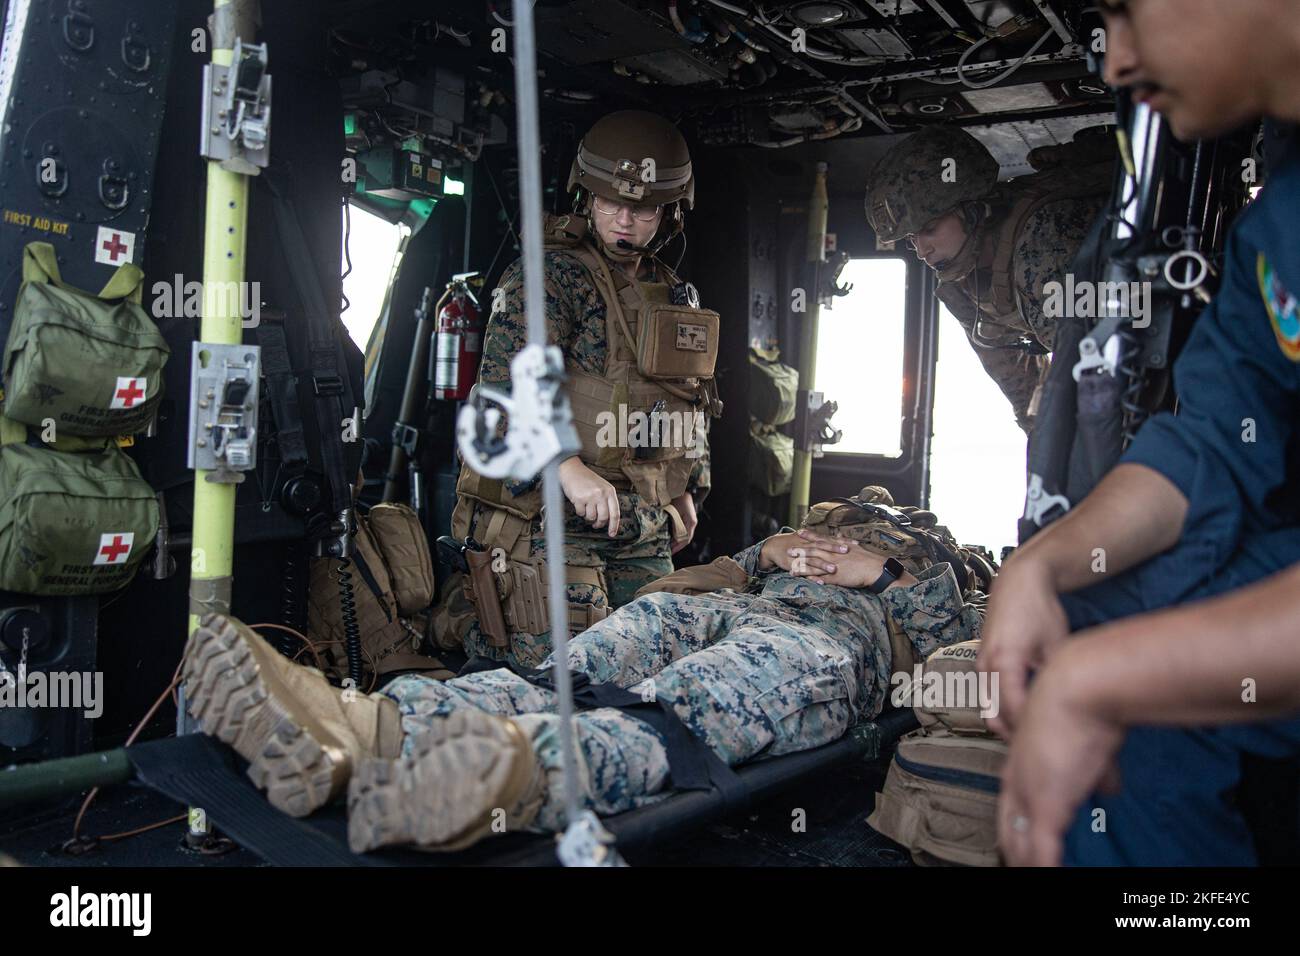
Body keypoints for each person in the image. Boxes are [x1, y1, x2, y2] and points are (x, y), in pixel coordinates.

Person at [180, 488, 983, 853]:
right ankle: (371, 727)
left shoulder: (961, 574)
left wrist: (884, 578)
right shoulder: (828, 520)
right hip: (728, 603)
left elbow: (954, 658)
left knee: (678, 707)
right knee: (567, 669)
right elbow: (734, 566)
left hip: (826, 649)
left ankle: (505, 777)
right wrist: (764, 552)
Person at [982, 0, 1300, 866]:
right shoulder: (1282, 218)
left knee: (1106, 672)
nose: (1114, 59)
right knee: (1082, 614)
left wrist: (1105, 680)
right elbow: (1207, 446)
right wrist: (1038, 564)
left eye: (1127, 11)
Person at [446, 110, 719, 669]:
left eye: (642, 209)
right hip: (549, 522)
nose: (624, 219)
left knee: (654, 673)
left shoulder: (672, 293)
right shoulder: (547, 278)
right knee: (557, 682)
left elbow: (692, 400)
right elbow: (500, 398)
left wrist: (688, 487)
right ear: (585, 197)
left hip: (638, 522)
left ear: (668, 212)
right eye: (609, 202)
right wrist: (567, 467)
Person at [865, 124, 1112, 432]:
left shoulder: (1043, 243)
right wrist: (1038, 433)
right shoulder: (966, 289)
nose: (921, 250)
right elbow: (1020, 382)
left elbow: (1102, 371)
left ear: (971, 209)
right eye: (912, 239)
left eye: (929, 229)